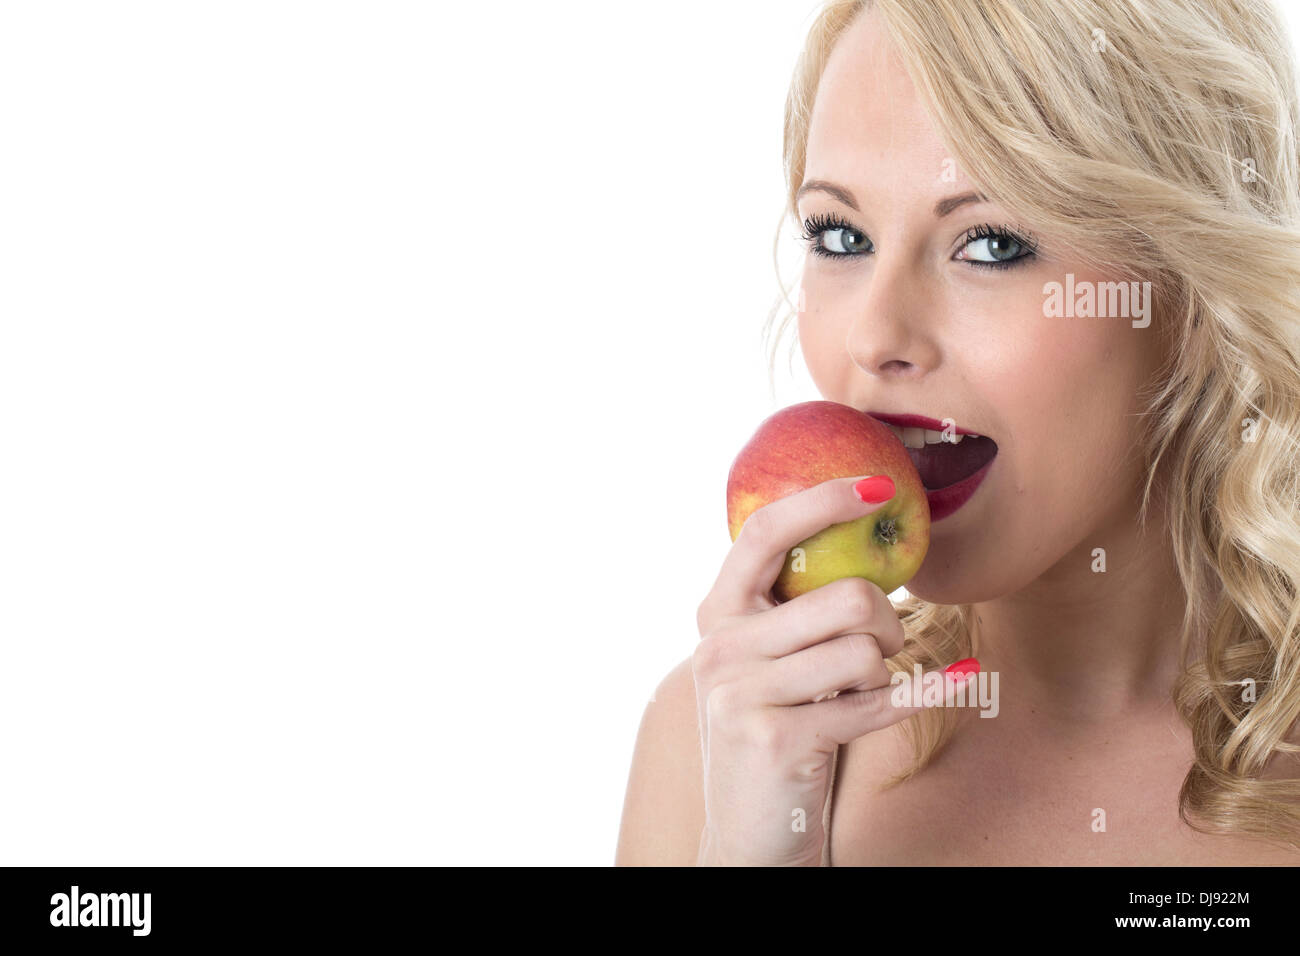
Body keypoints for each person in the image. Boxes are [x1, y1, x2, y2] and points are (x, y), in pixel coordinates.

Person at [616, 0, 1300, 865]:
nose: (876, 337)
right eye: (841, 235)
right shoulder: (727, 743)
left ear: (1194, 294)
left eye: (990, 247)